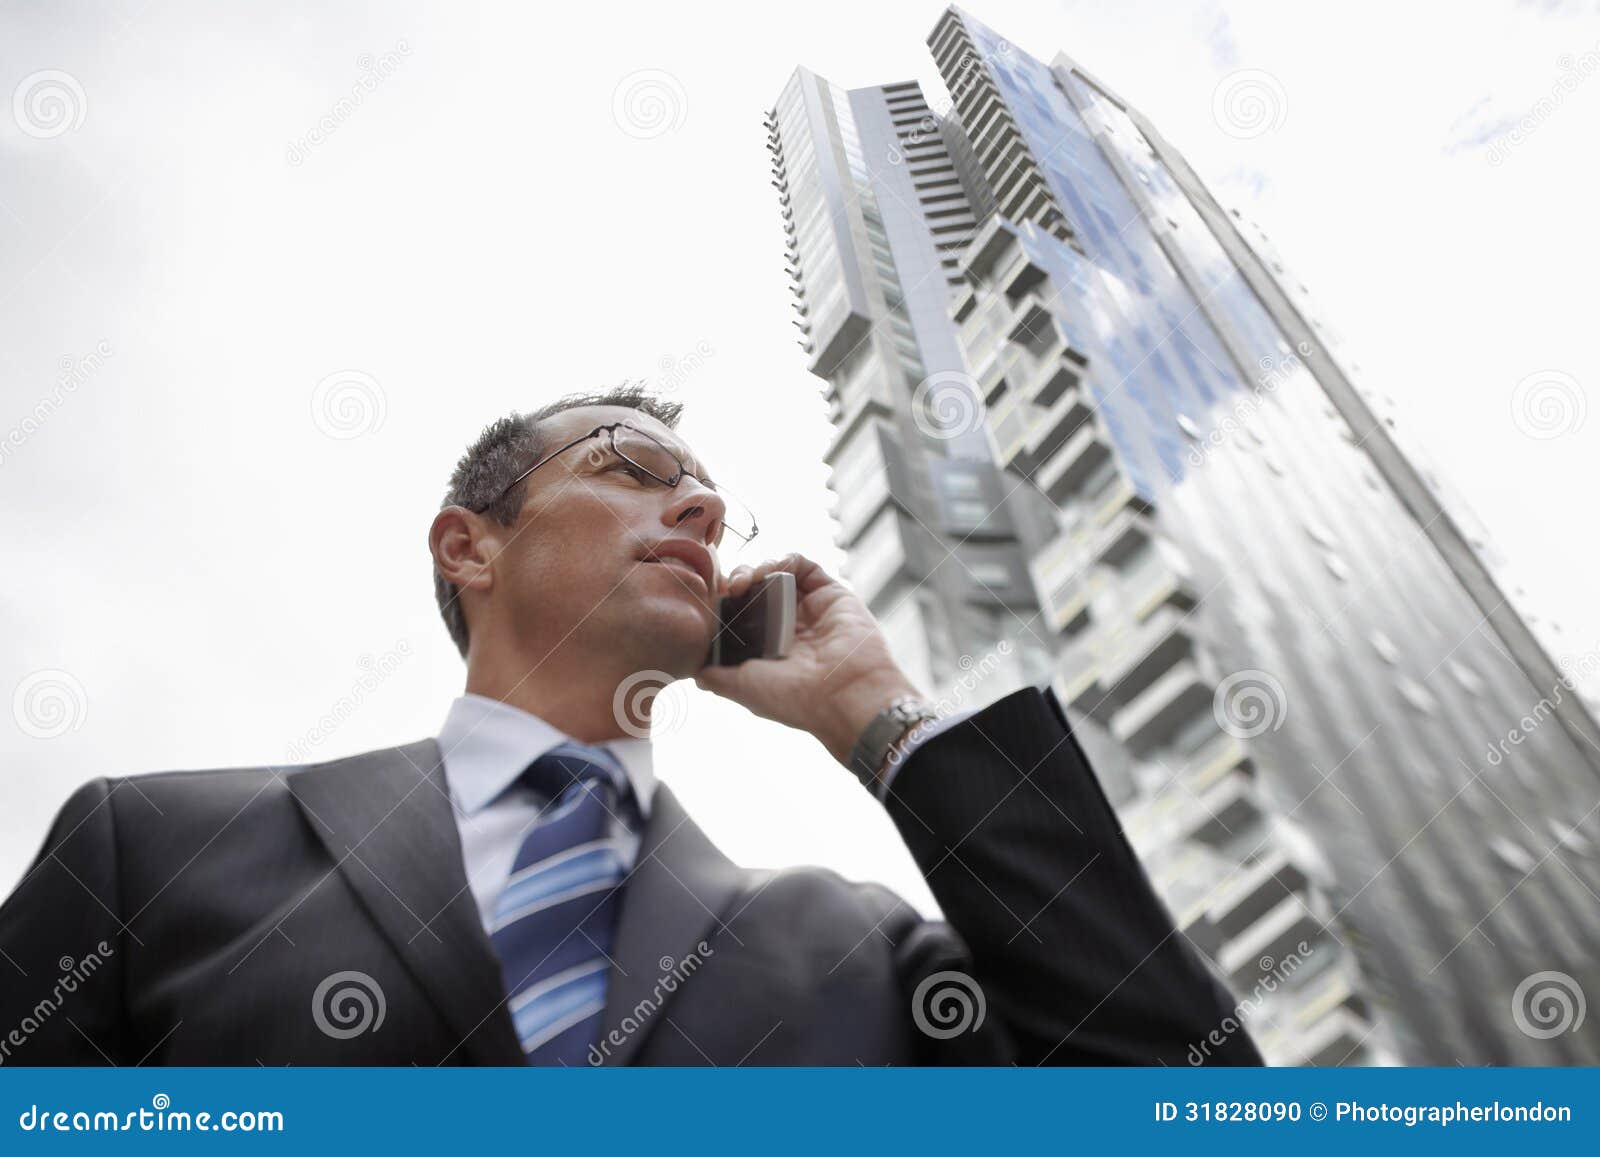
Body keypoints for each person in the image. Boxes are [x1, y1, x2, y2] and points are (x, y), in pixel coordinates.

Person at [0, 384, 1260, 1066]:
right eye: (632, 469)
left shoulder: (868, 951)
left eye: (709, 497)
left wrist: (879, 722)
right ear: (470, 543)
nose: (702, 506)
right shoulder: (154, 845)